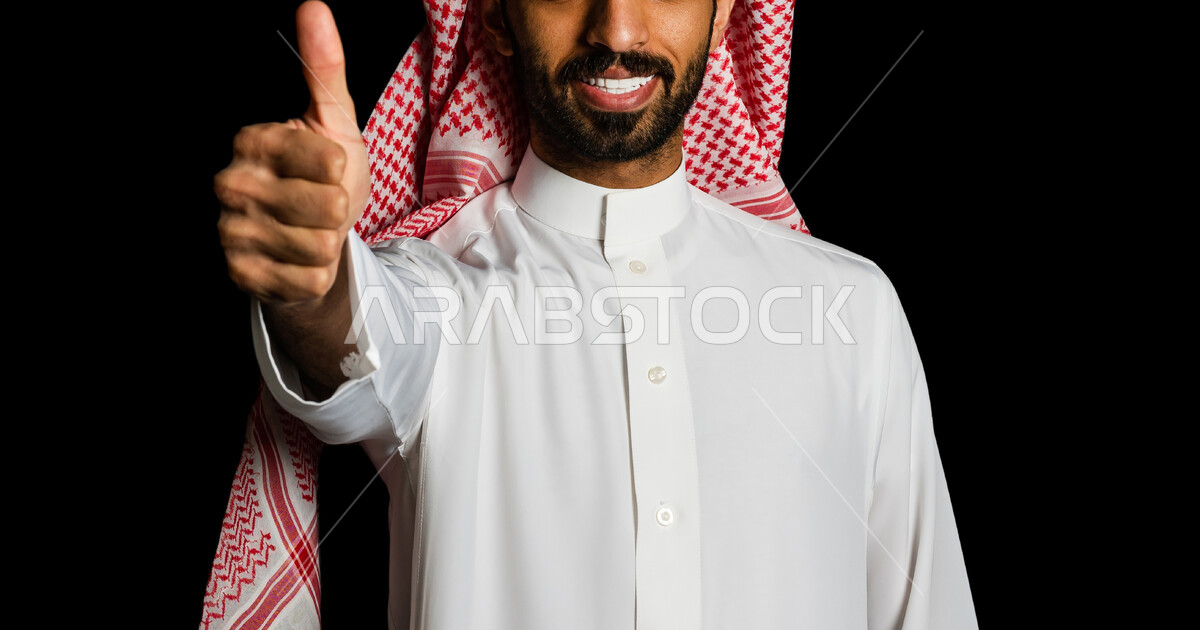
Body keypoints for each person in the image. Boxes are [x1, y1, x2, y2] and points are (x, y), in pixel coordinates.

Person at [205, 1, 977, 628]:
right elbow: (355, 334)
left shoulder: (853, 311)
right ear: (498, 20)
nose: (617, 30)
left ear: (726, 11)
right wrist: (312, 277)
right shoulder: (441, 292)